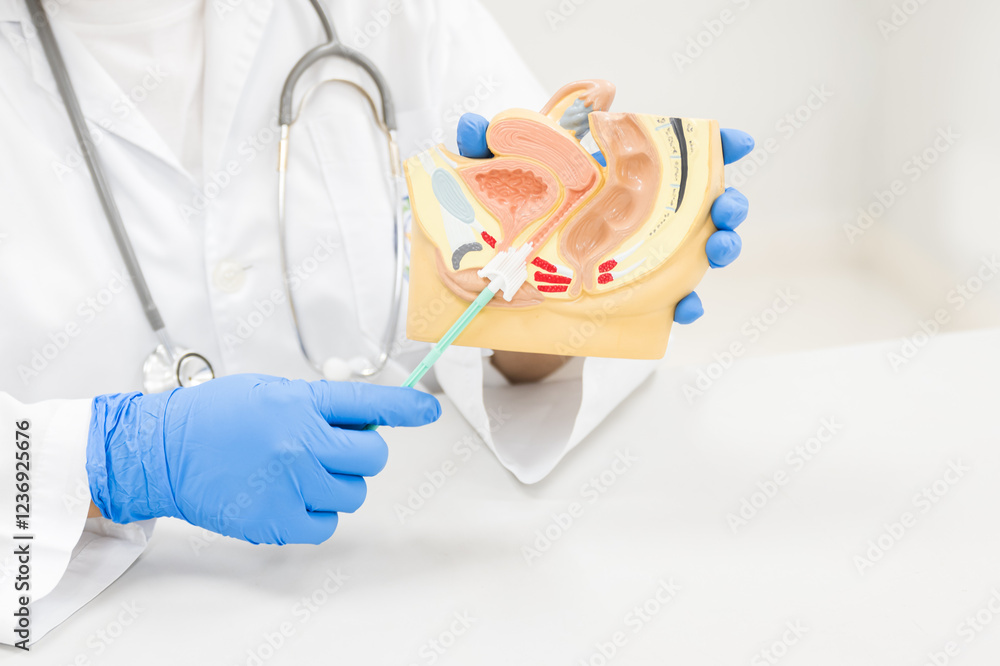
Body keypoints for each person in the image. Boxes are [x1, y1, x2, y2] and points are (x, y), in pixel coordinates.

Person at [0, 0, 752, 646]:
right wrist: (109, 463)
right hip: (86, 614)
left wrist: (571, 306)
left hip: (408, 589)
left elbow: (519, 279)